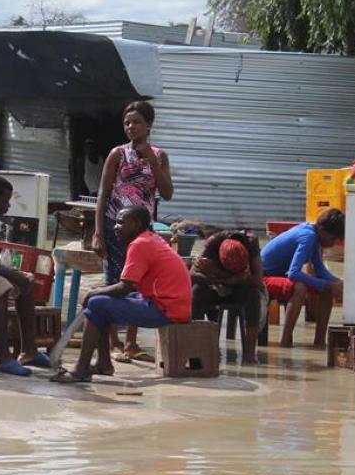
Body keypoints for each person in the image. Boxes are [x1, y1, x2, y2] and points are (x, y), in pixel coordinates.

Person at [54, 205, 191, 383]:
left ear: (135, 224)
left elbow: (125, 287)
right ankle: (103, 364)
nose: (115, 227)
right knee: (100, 302)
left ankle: (81, 370)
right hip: (167, 303)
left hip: (165, 308)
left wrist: (94, 292)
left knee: (96, 303)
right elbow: (129, 286)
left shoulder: (140, 244)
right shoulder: (149, 239)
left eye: (120, 223)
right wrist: (98, 293)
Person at [91, 100, 174, 364]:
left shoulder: (159, 155)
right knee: (114, 278)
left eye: (136, 122)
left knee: (139, 282)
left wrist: (152, 160)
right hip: (116, 226)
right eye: (127, 122)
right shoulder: (118, 154)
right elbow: (103, 193)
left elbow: (168, 193)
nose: (131, 127)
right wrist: (97, 233)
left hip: (143, 231)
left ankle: (131, 343)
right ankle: (113, 342)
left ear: (148, 125)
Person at [0, 175, 53, 372]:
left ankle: (29, 350)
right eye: (5, 201)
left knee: (25, 282)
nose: (8, 206)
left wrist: (12, 272)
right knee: (1, 286)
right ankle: (2, 356)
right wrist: (7, 275)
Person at [260, 208, 344, 348]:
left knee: (327, 288)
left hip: (281, 275)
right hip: (264, 277)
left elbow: (319, 268)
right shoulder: (308, 237)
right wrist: (328, 284)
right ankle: (285, 343)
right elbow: (293, 273)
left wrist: (336, 282)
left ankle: (319, 341)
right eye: (332, 239)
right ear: (323, 231)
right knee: (299, 287)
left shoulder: (315, 236)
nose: (333, 244)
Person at [191, 230, 265, 363]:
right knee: (196, 292)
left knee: (253, 296)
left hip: (240, 287)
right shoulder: (213, 243)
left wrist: (230, 279)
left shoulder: (251, 241)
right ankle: (199, 349)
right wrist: (223, 278)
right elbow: (192, 275)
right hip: (215, 285)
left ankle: (250, 352)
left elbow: (258, 279)